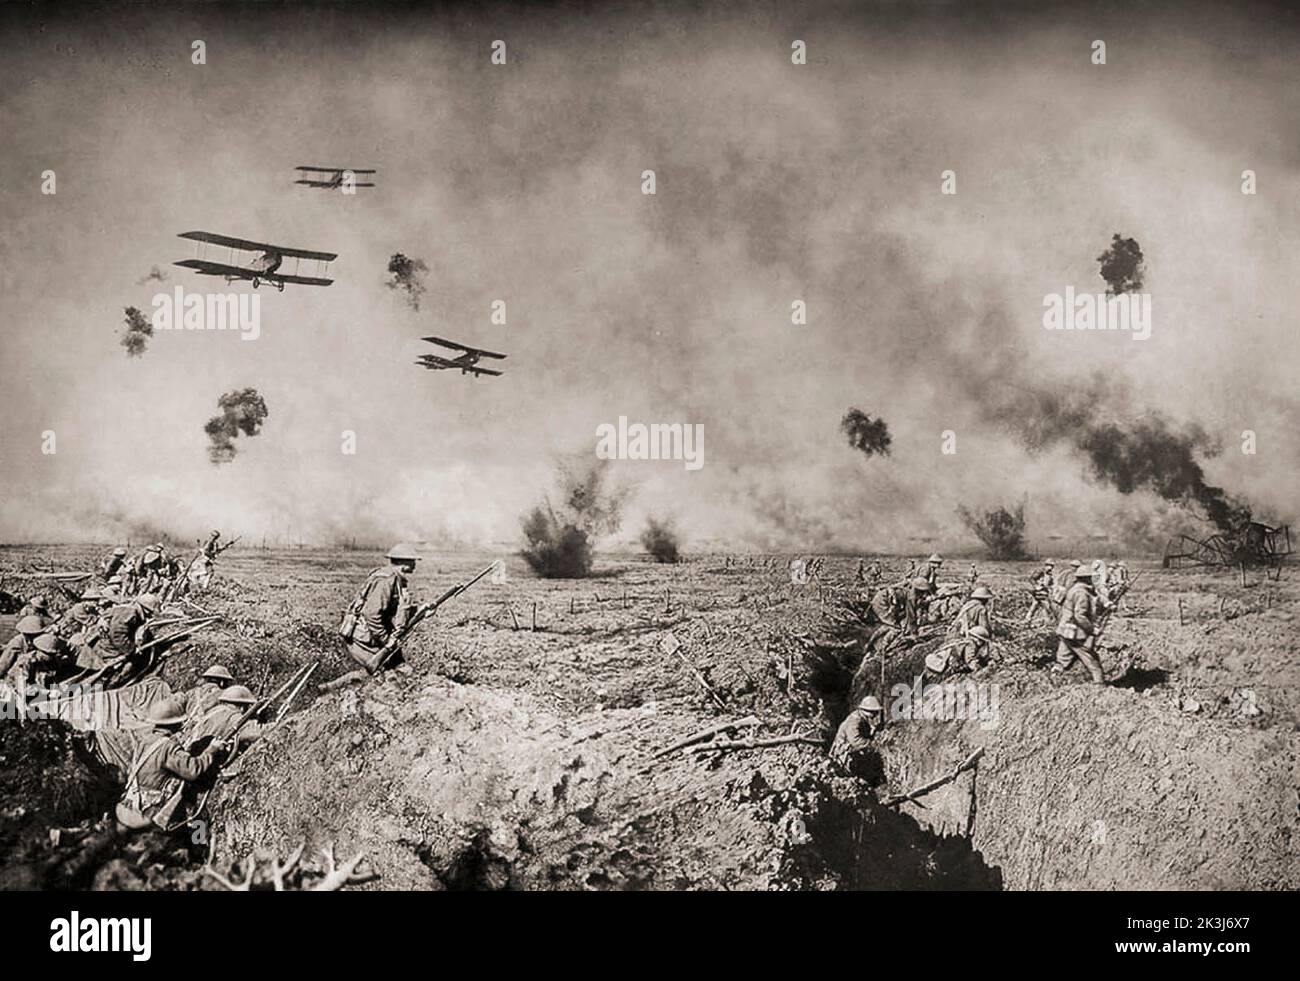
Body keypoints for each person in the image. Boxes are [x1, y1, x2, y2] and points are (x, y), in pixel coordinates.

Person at [115, 697, 227, 832]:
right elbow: (193, 770)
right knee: (197, 822)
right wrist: (212, 749)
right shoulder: (168, 746)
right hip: (151, 813)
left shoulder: (145, 740)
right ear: (174, 724)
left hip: (130, 804)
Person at [326, 545, 420, 688]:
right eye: (412, 561)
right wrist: (386, 640)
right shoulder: (386, 581)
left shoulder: (395, 579)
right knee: (379, 674)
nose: (414, 564)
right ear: (404, 562)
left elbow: (396, 612)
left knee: (400, 671)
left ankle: (328, 689)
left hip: (373, 636)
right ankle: (328, 690)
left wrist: (421, 610)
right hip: (362, 638)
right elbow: (371, 615)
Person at [1054, 566, 1109, 685]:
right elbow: (1080, 616)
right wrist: (1092, 629)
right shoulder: (1082, 593)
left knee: (1063, 659)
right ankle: (1099, 686)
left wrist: (1106, 603)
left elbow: (1096, 598)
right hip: (1075, 633)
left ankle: (1053, 680)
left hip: (1066, 630)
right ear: (1087, 579)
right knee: (1092, 662)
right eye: (1091, 577)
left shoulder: (1076, 589)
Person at [830, 695, 885, 775]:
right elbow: (855, 741)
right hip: (843, 755)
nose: (876, 714)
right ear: (867, 710)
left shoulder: (862, 718)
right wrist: (872, 745)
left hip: (852, 751)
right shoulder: (854, 721)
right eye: (874, 712)